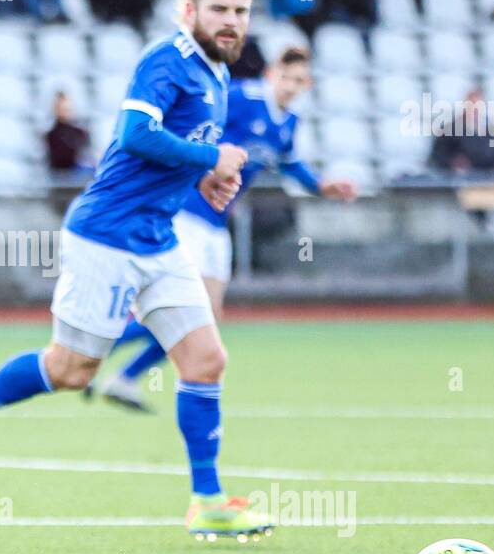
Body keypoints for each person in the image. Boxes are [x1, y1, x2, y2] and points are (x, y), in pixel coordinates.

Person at [0, 0, 279, 543]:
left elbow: (173, 149)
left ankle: (208, 502)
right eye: (219, 9)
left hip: (158, 238)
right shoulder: (168, 60)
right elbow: (136, 134)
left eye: (241, 11)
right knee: (69, 370)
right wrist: (210, 158)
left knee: (206, 359)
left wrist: (203, 175)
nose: (232, 21)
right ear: (189, 10)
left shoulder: (217, 74)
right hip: (106, 236)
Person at [90, 48, 357, 412]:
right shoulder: (241, 98)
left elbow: (290, 164)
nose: (292, 86)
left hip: (216, 223)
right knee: (183, 311)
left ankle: (121, 377)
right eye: (287, 77)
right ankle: (95, 350)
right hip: (187, 211)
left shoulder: (288, 122)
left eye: (300, 81)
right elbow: (188, 125)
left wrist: (324, 186)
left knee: (206, 320)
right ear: (271, 73)